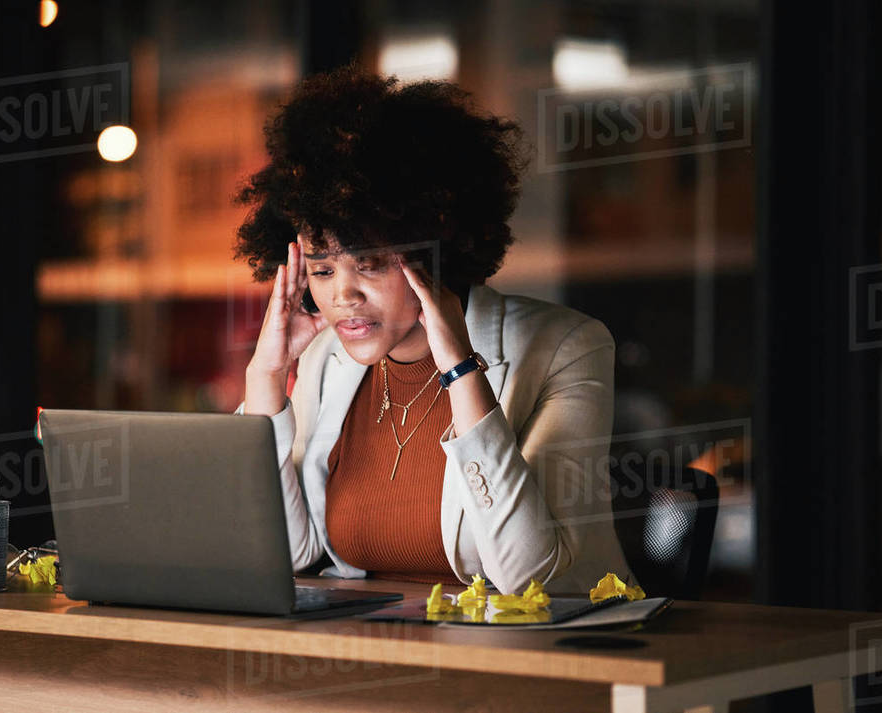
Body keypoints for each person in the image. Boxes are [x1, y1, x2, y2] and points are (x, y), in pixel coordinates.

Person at [233, 65, 632, 594]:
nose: (341, 296)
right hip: (371, 653)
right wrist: (266, 378)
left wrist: (463, 372)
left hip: (524, 656)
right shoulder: (324, 360)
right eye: (323, 270)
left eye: (370, 264)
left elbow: (533, 578)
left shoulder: (566, 347)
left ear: (435, 249)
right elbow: (292, 555)